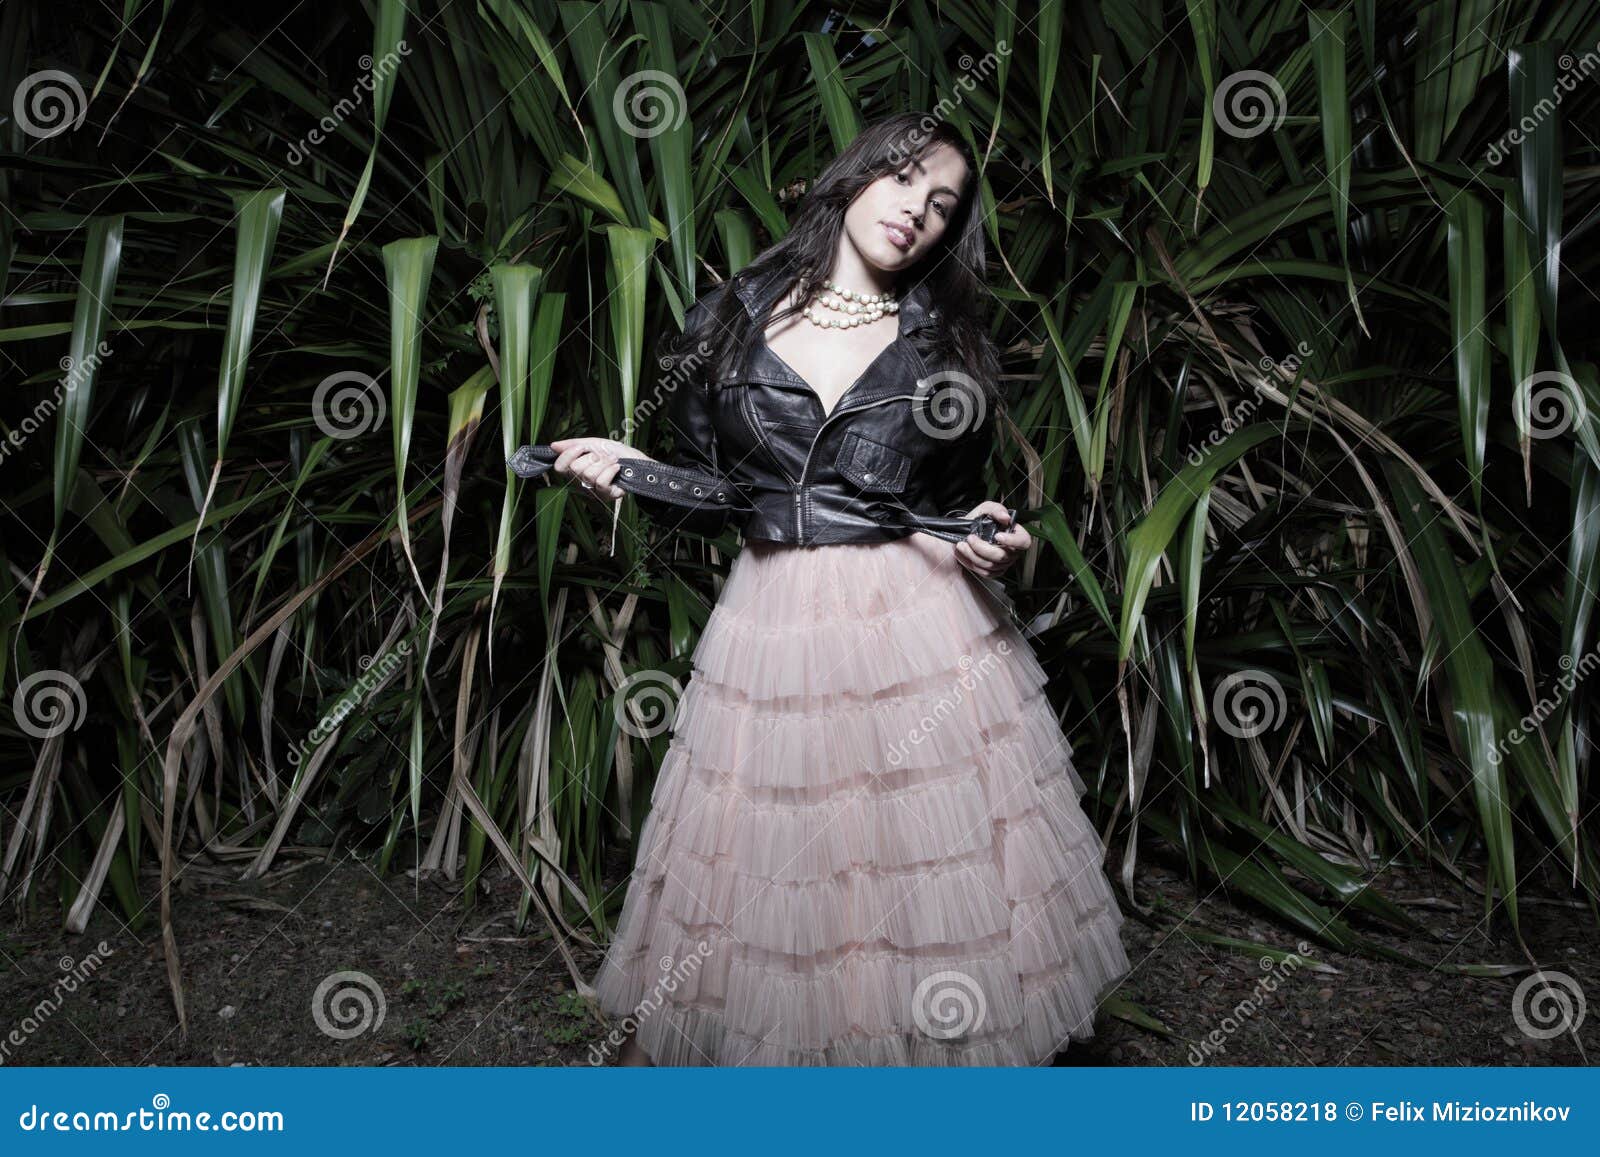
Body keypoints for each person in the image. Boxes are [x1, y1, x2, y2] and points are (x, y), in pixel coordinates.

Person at [551, 112, 1129, 1066]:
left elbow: (949, 500)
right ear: (855, 175)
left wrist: (989, 535)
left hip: (919, 622)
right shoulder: (730, 315)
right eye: (905, 180)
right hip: (775, 621)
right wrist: (634, 468)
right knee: (788, 863)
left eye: (944, 205)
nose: (920, 212)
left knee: (922, 866)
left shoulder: (948, 345)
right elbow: (727, 497)